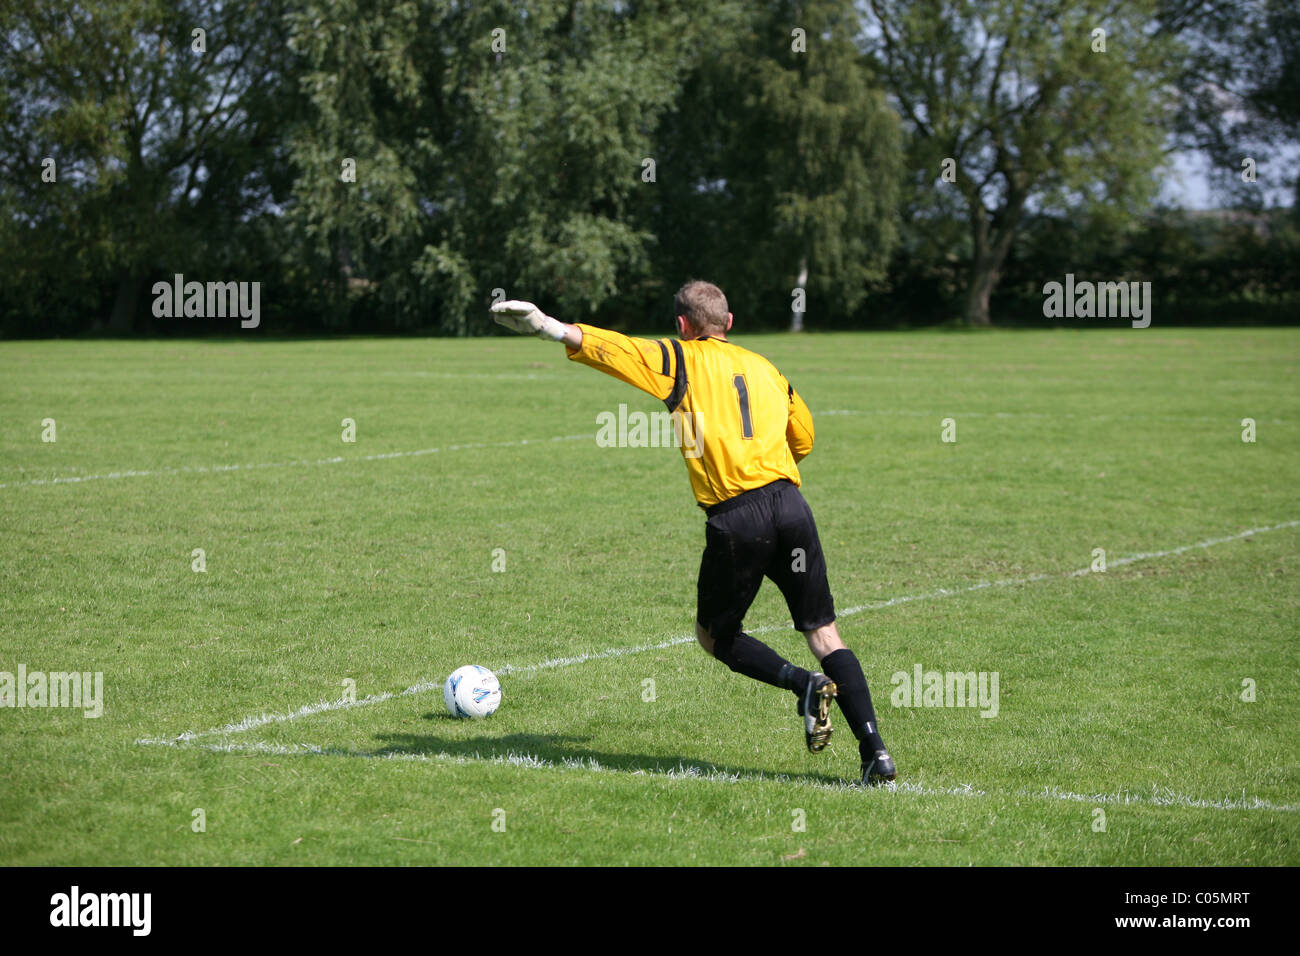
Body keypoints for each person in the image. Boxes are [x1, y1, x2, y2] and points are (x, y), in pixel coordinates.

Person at [490, 280, 895, 785]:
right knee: (824, 632)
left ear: (682, 326)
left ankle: (802, 684)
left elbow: (615, 349)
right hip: (792, 507)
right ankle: (875, 752)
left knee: (716, 636)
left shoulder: (678, 359)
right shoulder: (768, 368)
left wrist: (547, 326)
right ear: (729, 323)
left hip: (737, 518)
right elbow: (804, 437)